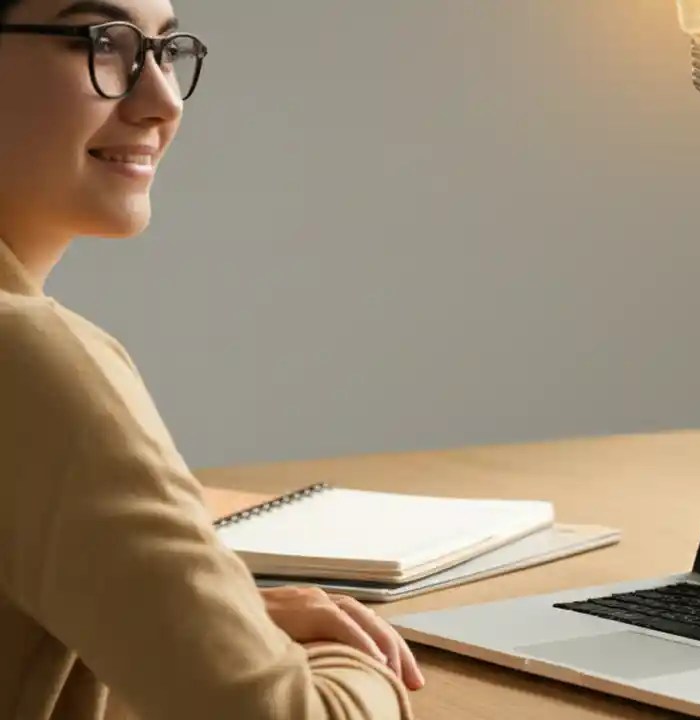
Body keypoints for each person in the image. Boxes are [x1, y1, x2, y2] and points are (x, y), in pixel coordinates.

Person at [0, 0, 426, 717]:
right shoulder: (29, 361)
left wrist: (219, 624)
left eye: (166, 51)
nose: (161, 101)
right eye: (104, 43)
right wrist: (347, 657)